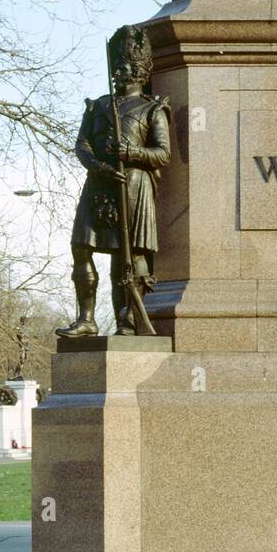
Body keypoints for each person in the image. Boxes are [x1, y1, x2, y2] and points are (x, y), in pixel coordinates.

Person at [57, 26, 170, 338]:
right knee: (80, 246)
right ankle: (87, 320)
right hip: (98, 185)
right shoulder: (97, 106)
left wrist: (131, 152)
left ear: (138, 71)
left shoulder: (153, 109)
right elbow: (82, 145)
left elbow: (162, 154)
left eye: (124, 69)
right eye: (116, 68)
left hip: (133, 187)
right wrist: (97, 166)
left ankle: (129, 321)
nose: (118, 74)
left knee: (129, 258)